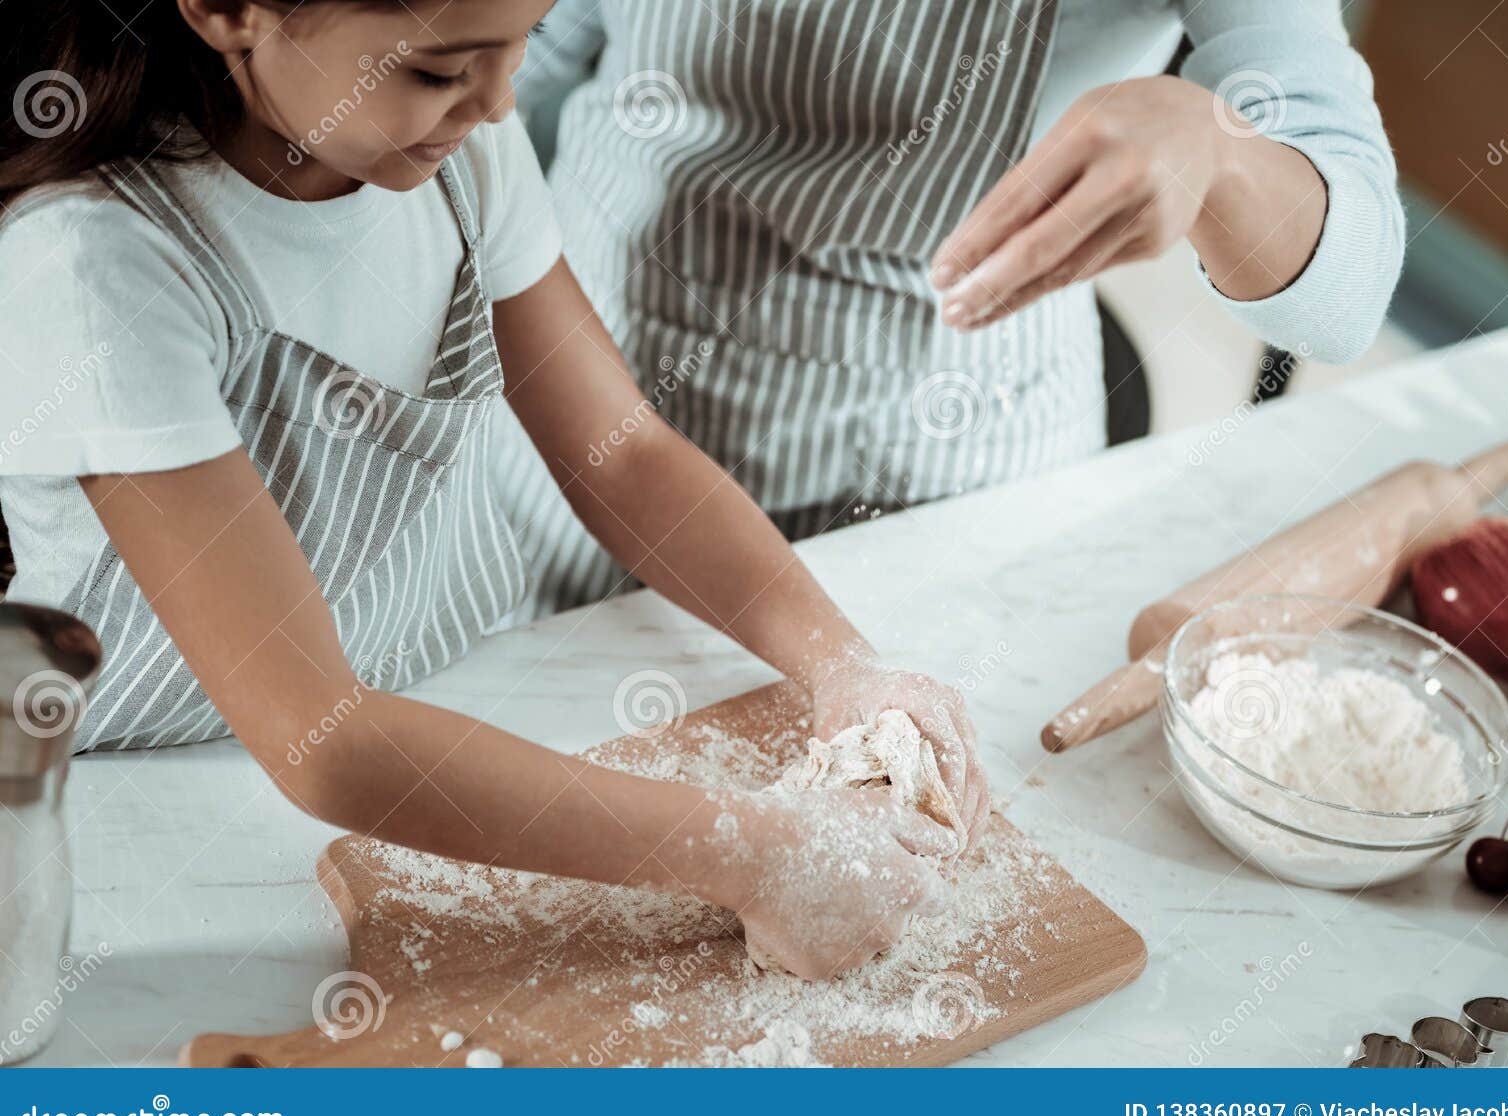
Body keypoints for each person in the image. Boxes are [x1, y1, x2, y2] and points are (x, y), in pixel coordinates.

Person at [0, 0, 988, 980]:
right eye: (437, 70)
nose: (497, 101)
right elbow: (325, 741)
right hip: (159, 825)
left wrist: (844, 667)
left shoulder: (457, 156)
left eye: (530, 45)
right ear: (225, 11)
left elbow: (622, 453)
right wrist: (757, 853)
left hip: (449, 715)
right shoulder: (103, 264)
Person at [505, 0, 1404, 605]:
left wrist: (1223, 152)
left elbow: (1347, 299)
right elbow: (529, 37)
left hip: (926, 486)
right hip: (562, 393)